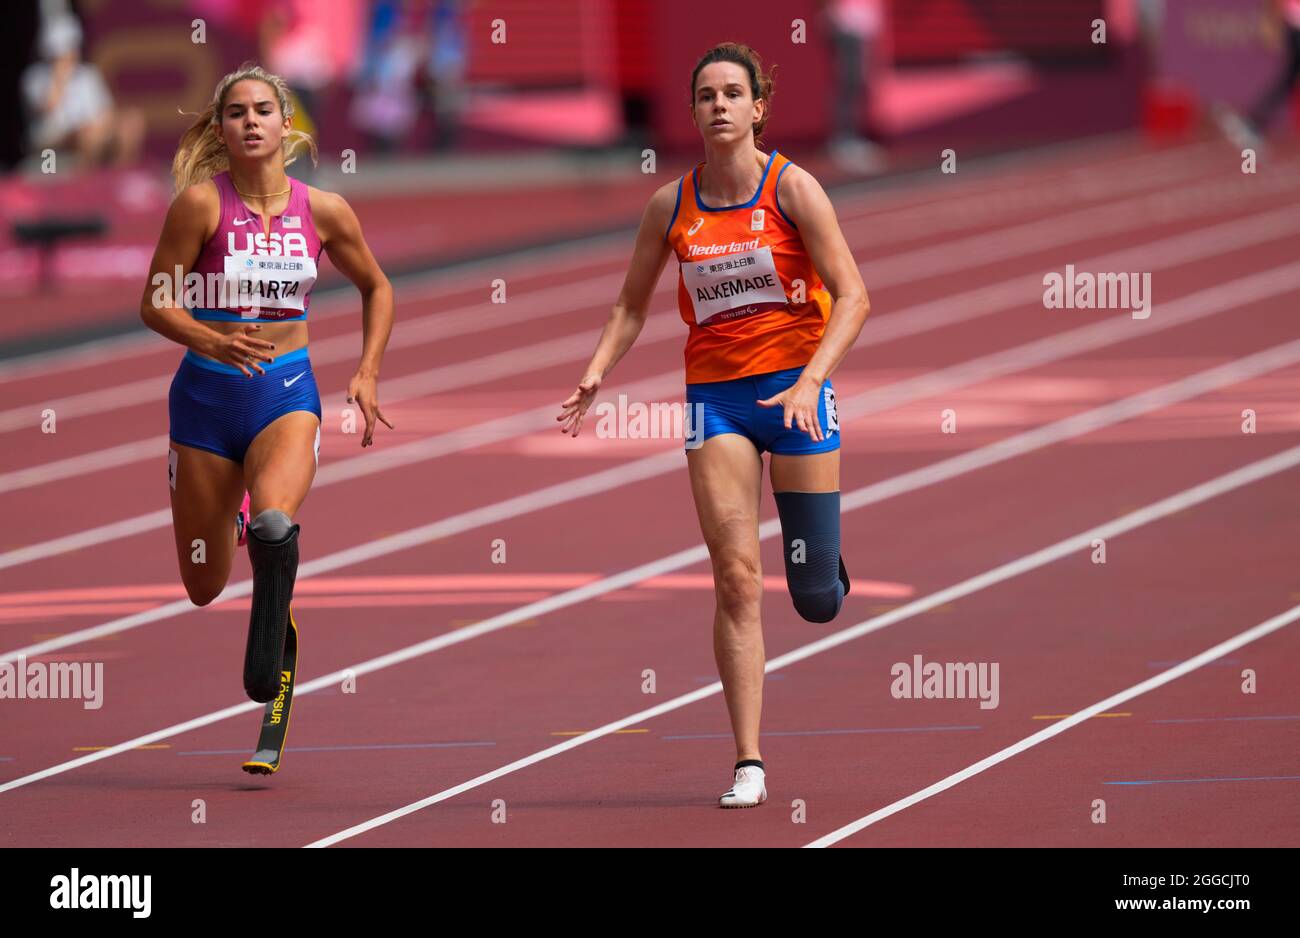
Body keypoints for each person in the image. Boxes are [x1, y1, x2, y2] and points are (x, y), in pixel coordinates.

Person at [558, 42, 869, 808]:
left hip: (796, 396)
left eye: (734, 93)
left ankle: (827, 566)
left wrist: (811, 381)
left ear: (759, 107)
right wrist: (599, 368)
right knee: (735, 579)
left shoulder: (793, 189)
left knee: (814, 598)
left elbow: (855, 296)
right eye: (706, 96)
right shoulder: (671, 205)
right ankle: (749, 760)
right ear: (694, 111)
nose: (719, 106)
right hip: (716, 401)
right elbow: (631, 305)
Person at [139, 63, 394, 774]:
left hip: (286, 393)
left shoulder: (326, 210)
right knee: (203, 584)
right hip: (205, 401)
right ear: (220, 129)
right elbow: (155, 302)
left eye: (262, 110)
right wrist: (209, 337)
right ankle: (238, 524)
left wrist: (367, 370)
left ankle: (269, 618)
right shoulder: (198, 207)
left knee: (277, 522)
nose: (250, 122)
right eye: (235, 113)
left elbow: (377, 286)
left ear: (288, 124)